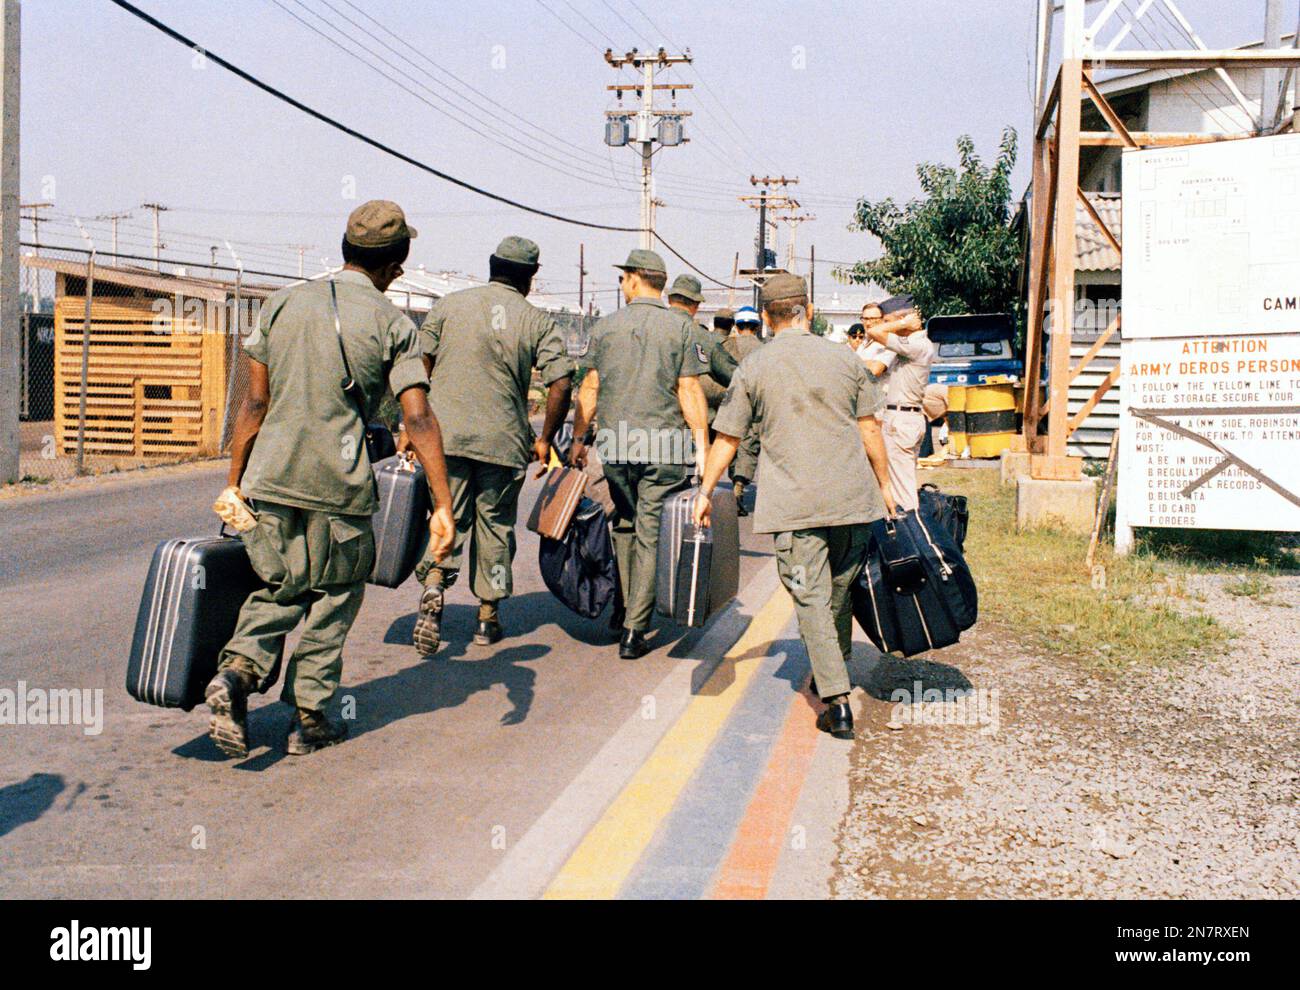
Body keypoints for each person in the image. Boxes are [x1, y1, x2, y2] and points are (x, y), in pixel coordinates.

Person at [209, 200, 455, 758]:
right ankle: (310, 718)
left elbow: (253, 403)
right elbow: (416, 417)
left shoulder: (282, 303)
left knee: (280, 586)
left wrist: (235, 481)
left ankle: (238, 675)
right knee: (335, 594)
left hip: (270, 478)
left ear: (345, 248)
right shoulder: (394, 324)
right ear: (397, 265)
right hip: (337, 487)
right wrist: (442, 504)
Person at [693, 273, 895, 740]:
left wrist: (705, 491)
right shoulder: (845, 360)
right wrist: (885, 487)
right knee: (837, 592)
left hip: (798, 508)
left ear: (765, 317)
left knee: (811, 599)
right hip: (852, 502)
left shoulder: (754, 368)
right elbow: (870, 429)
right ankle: (835, 667)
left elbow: (728, 438)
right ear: (808, 308)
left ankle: (837, 701)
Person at [406, 235, 574, 653]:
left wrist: (410, 428)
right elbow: (561, 382)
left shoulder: (448, 306)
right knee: (495, 527)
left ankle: (433, 588)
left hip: (444, 437)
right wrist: (545, 439)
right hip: (503, 441)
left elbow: (418, 366)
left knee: (447, 514)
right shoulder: (537, 321)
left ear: (490, 264)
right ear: (530, 278)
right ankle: (487, 617)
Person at [569, 248, 710, 660]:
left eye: (622, 277)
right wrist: (702, 448)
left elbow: (590, 388)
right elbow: (689, 390)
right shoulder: (680, 328)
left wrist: (578, 439)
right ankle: (635, 628)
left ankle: (626, 609)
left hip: (616, 445)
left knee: (626, 524)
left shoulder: (606, 327)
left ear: (633, 279)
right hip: (663, 448)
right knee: (649, 530)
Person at [863, 294, 933, 513]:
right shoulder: (912, 344)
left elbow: (873, 332)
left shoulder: (915, 344)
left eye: (888, 321)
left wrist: (901, 323)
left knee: (903, 492)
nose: (886, 327)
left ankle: (912, 536)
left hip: (901, 420)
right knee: (900, 482)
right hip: (905, 419)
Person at [666, 273, 738, 433]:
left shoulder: (648, 330)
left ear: (670, 300)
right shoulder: (702, 337)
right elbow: (735, 377)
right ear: (696, 305)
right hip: (683, 429)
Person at [725, 306, 764, 515]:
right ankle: (739, 487)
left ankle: (734, 484)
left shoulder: (727, 346)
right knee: (748, 447)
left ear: (737, 326)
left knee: (729, 442)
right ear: (757, 326)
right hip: (755, 404)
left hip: (730, 402)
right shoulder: (764, 348)